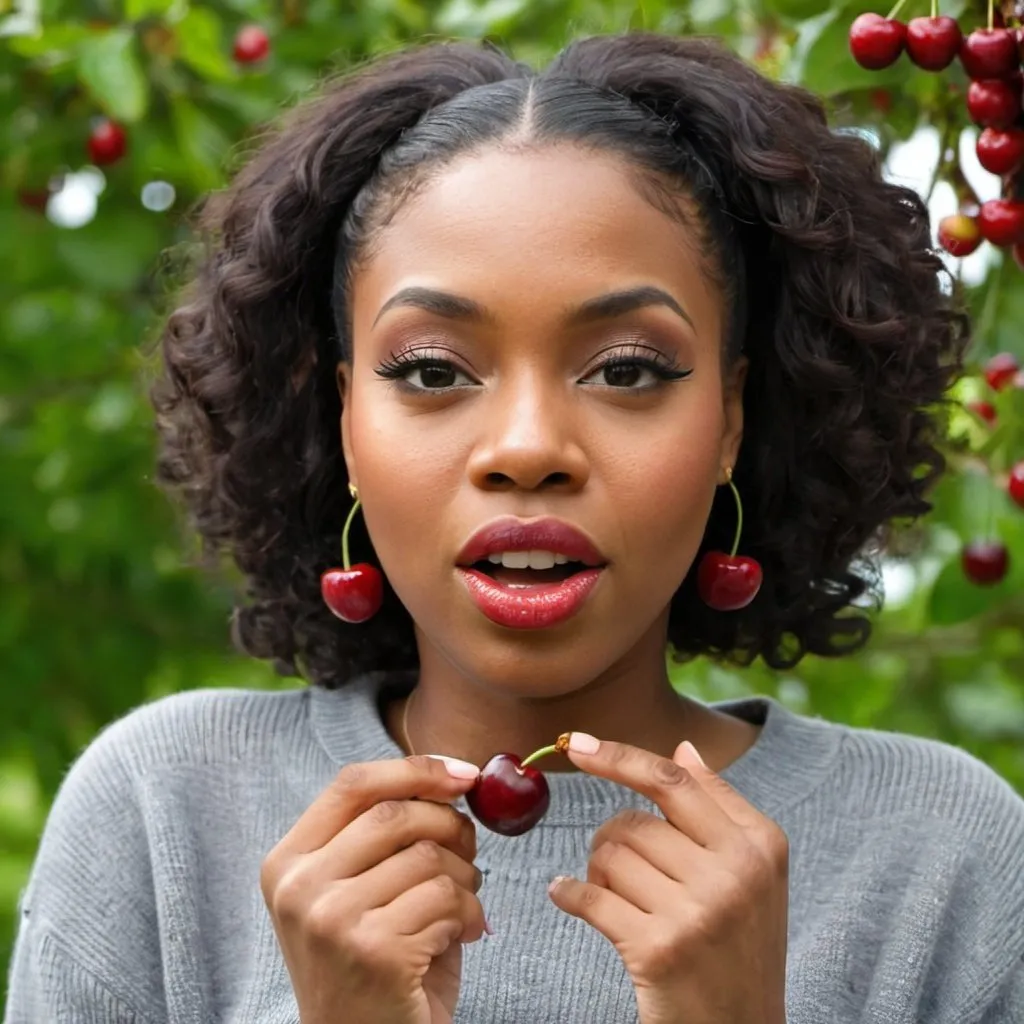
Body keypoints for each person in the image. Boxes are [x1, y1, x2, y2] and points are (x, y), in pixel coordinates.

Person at [6, 30, 1024, 1024]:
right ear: (343, 422)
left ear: (732, 422)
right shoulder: (163, 814)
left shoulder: (948, 855)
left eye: (627, 369)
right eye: (432, 371)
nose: (528, 445)